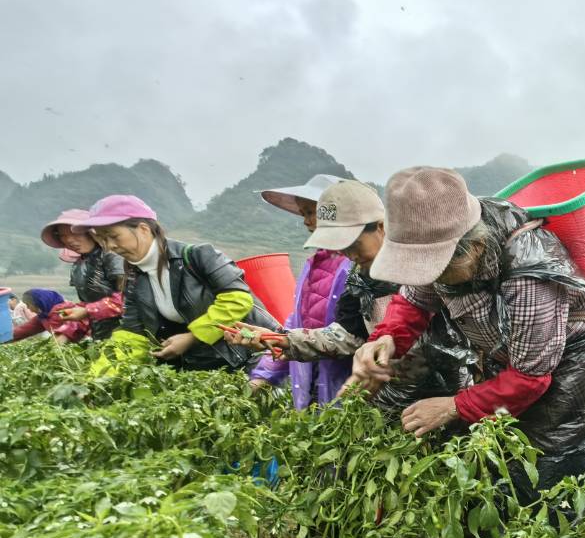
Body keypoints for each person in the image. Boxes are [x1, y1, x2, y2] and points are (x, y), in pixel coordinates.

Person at [345, 167, 585, 497]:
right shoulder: (442, 249)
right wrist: (386, 338)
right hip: (513, 358)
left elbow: (530, 377)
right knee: (501, 456)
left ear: (472, 249)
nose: (433, 278)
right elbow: (415, 301)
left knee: (552, 470)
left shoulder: (529, 275)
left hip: (572, 363)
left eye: (440, 269)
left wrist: (452, 406)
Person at [226, 179, 471, 414]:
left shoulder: (429, 264)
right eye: (343, 248)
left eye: (354, 244)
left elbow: (454, 338)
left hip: (445, 398)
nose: (349, 255)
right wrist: (283, 340)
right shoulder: (359, 276)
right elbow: (348, 334)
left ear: (381, 227)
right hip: (387, 402)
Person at [76, 194, 282, 372]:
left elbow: (236, 299)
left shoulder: (199, 256)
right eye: (103, 240)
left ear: (143, 229)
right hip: (205, 369)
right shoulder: (136, 279)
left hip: (252, 362)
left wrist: (193, 337)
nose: (110, 246)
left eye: (114, 236)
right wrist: (97, 378)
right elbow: (132, 334)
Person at [235, 173, 352, 406]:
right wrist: (261, 377)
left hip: (347, 387)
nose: (307, 221)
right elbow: (295, 327)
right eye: (304, 213)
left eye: (311, 212)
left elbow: (353, 335)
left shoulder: (354, 267)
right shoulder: (313, 265)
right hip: (310, 386)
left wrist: (283, 340)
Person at [40, 208, 126, 341]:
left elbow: (129, 298)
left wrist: (88, 311)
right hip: (102, 337)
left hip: (129, 334)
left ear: (92, 232)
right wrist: (65, 333)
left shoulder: (113, 256)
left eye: (75, 233)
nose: (69, 240)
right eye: (63, 235)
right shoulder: (78, 265)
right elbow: (86, 305)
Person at [3, 288, 89, 344]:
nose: (28, 309)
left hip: (86, 344)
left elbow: (76, 324)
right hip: (67, 350)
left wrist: (64, 336)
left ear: (39, 303)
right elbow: (22, 331)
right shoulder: (43, 318)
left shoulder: (63, 310)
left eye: (29, 305)